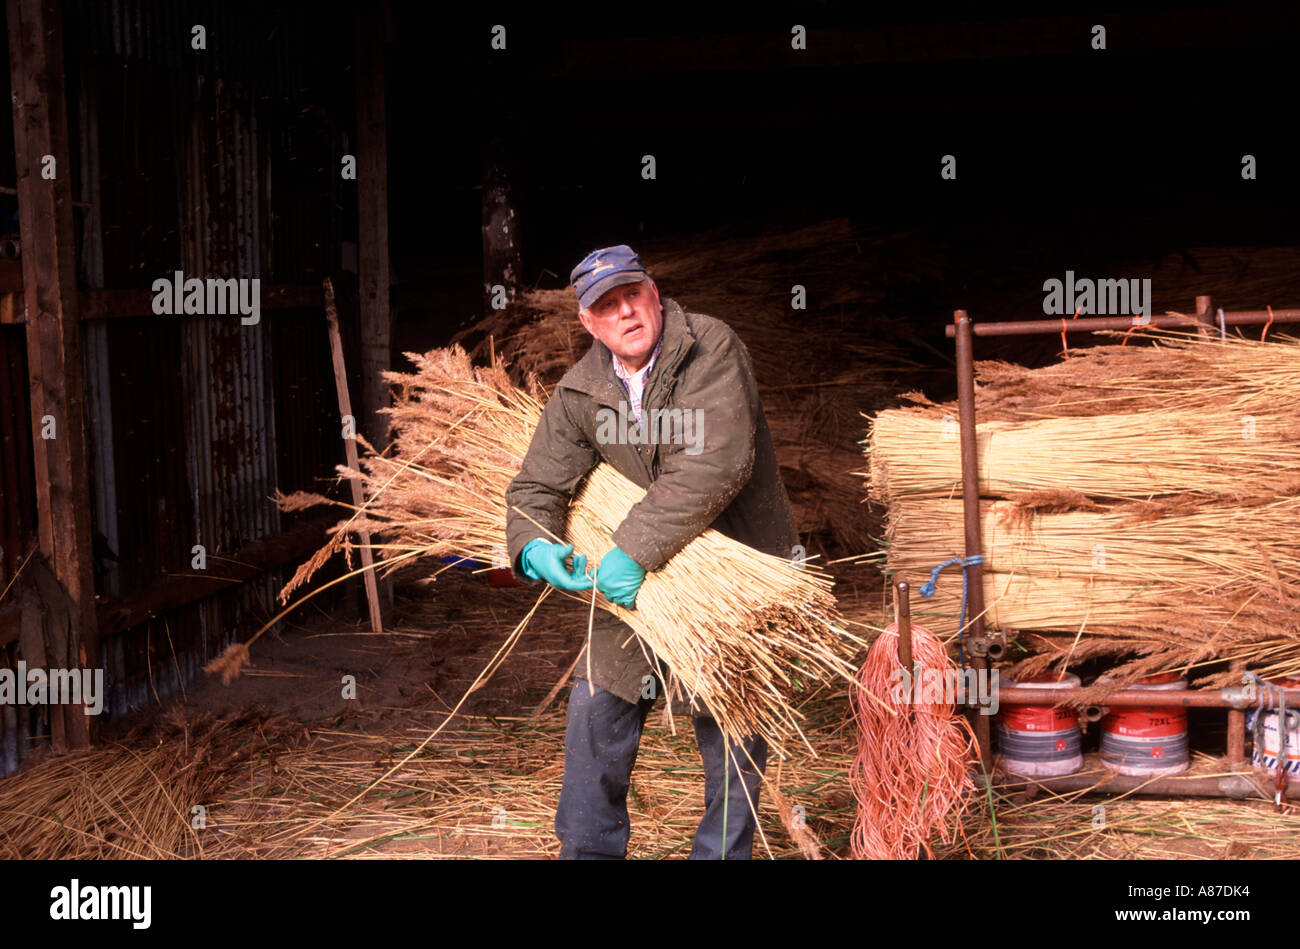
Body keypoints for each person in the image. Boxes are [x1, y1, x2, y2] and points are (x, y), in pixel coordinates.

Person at [505, 243, 798, 859]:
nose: (626, 314)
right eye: (606, 307)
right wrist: (534, 546)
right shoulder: (582, 390)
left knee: (732, 731)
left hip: (729, 577)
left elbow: (715, 462)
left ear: (654, 293)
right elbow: (537, 486)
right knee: (596, 711)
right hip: (640, 588)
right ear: (588, 322)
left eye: (632, 295)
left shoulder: (709, 347)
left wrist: (633, 549)